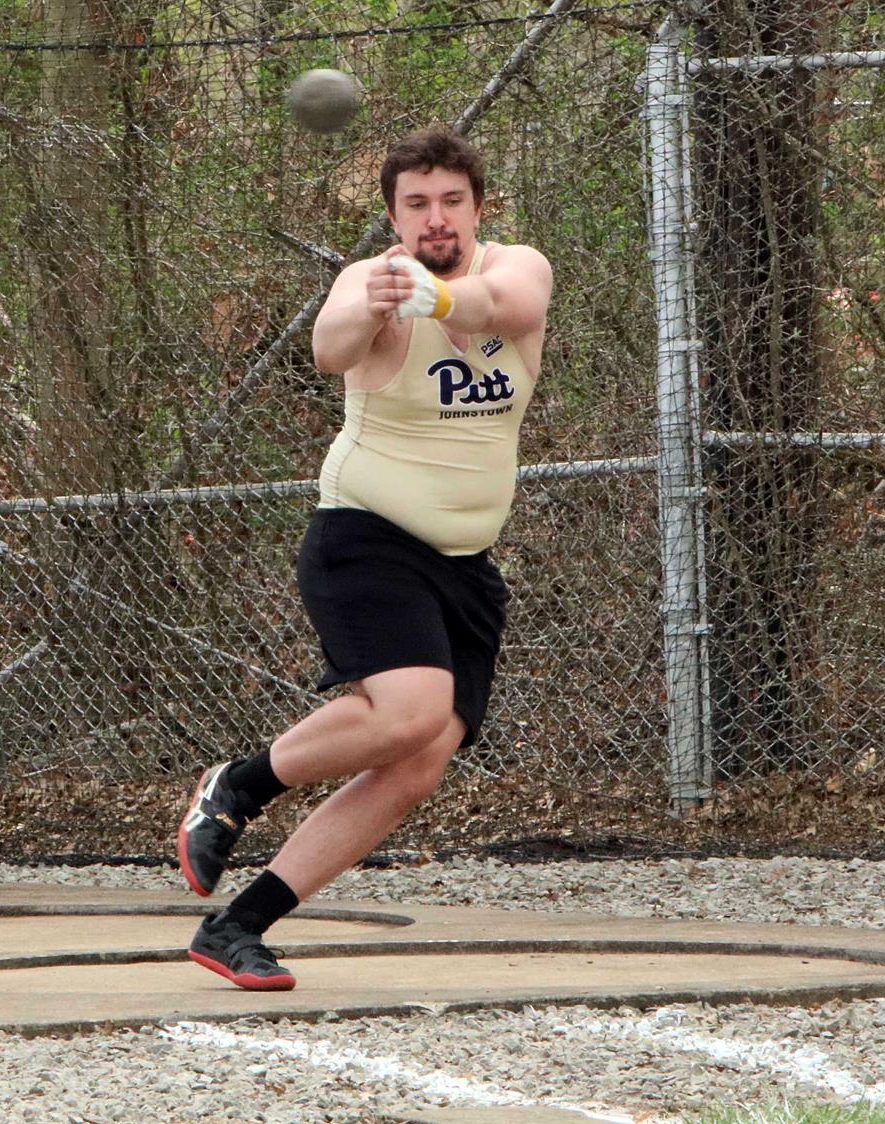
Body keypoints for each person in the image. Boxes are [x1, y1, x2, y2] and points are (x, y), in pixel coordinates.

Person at [177, 127, 553, 991]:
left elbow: (509, 310)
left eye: (450, 201)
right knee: (412, 711)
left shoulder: (515, 266)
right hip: (366, 538)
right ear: (393, 216)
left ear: (477, 207)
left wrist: (440, 298)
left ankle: (237, 926)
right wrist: (377, 303)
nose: (435, 219)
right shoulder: (371, 281)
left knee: (417, 765)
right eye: (416, 205)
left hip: (465, 563)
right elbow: (329, 345)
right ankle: (236, 785)